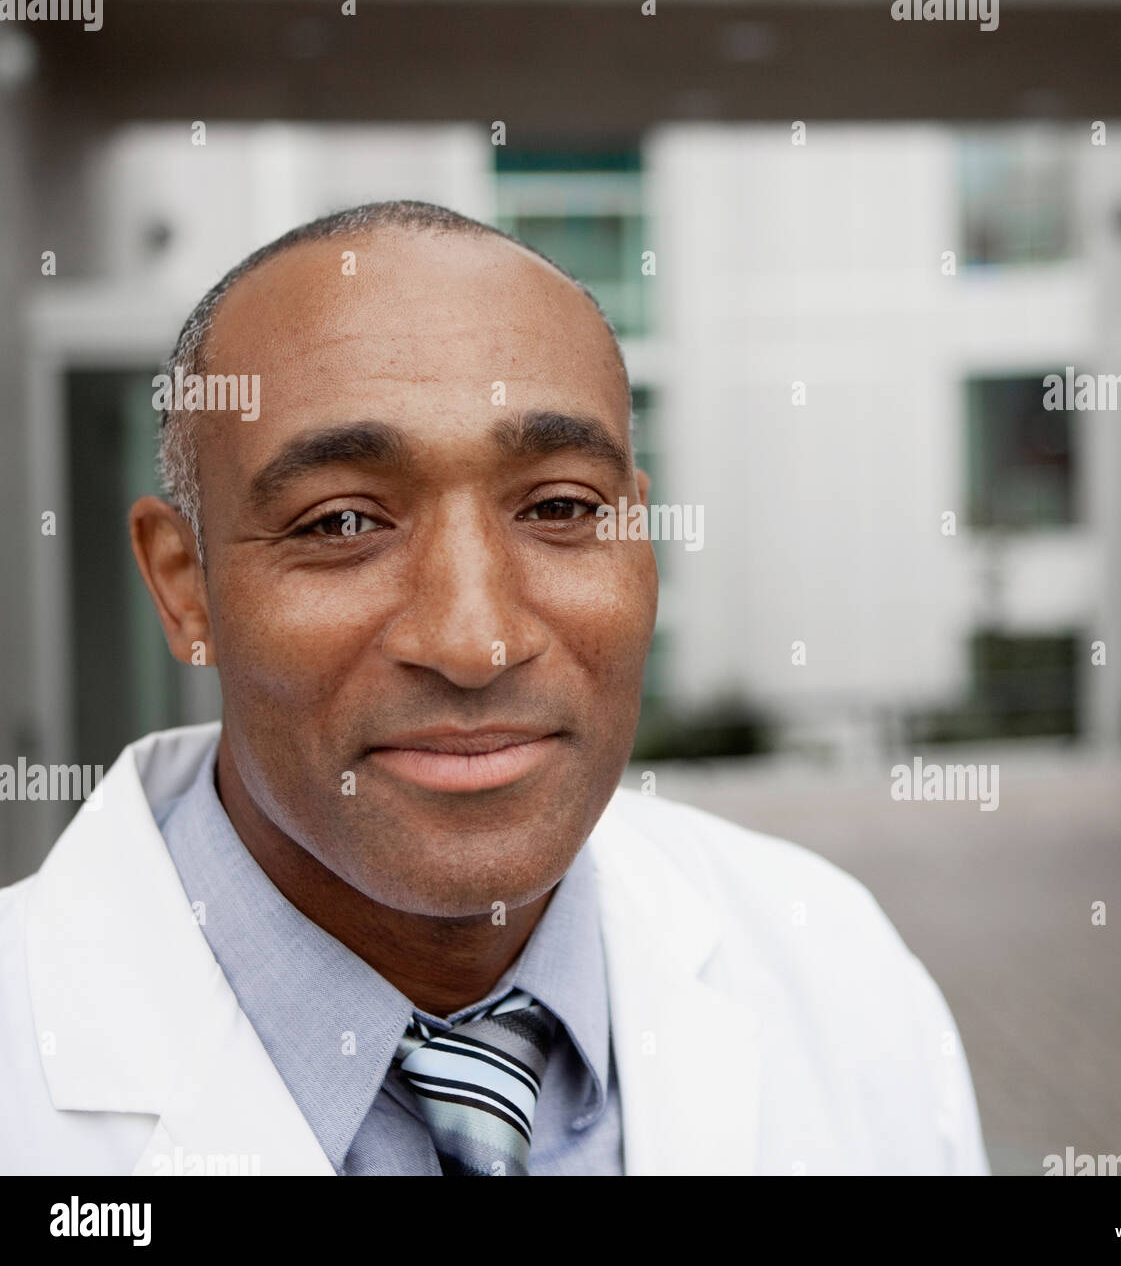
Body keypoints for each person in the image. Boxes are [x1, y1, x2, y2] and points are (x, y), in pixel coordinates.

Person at [0, 201, 988, 1176]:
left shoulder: (837, 972)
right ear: (184, 585)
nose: (475, 641)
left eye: (560, 506)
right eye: (342, 523)